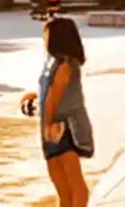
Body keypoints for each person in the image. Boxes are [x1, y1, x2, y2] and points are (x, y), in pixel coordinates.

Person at [20, 17, 94, 206]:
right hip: (52, 127)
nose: (44, 39)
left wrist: (47, 126)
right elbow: (48, 93)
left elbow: (54, 95)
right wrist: (34, 99)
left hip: (64, 128)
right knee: (60, 183)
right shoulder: (52, 64)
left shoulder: (66, 65)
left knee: (73, 181)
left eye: (46, 35)